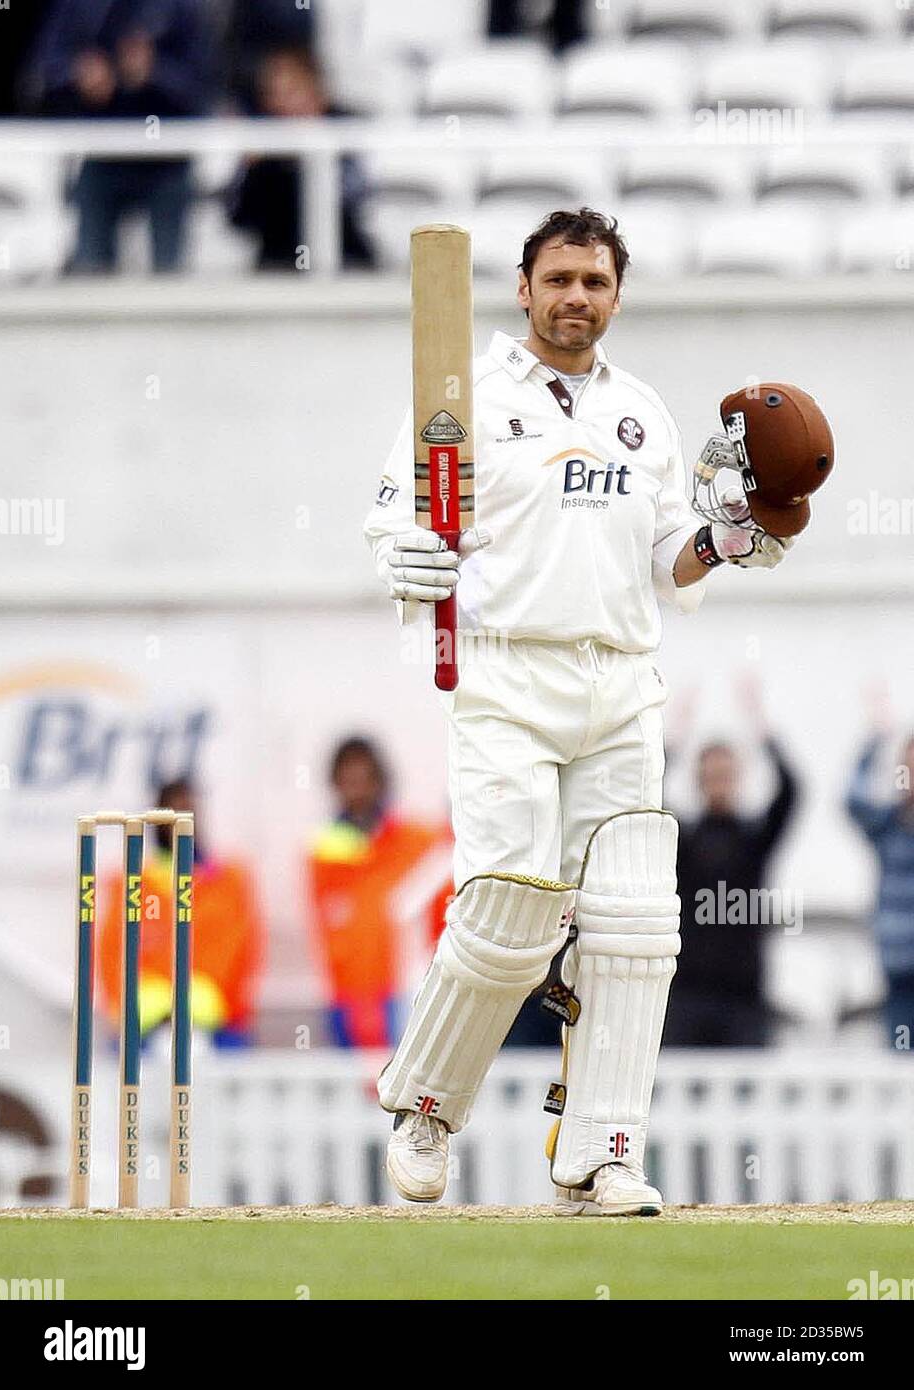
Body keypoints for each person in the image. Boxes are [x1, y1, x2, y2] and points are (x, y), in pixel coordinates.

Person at [363, 207, 795, 1214]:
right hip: (505, 676)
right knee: (509, 908)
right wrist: (406, 555)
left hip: (619, 679)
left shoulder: (640, 412)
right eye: (557, 279)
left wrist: (729, 540)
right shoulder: (459, 397)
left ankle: (597, 1153)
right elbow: (393, 518)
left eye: (594, 282)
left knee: (633, 923)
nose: (575, 298)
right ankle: (426, 1107)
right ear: (523, 287)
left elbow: (670, 559)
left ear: (614, 293)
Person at [28, 0, 214, 272]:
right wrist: (80, 73)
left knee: (171, 277)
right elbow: (44, 69)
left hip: (168, 161)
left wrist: (154, 73)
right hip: (102, 156)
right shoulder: (80, 7)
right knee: (91, 271)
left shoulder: (182, 8)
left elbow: (204, 88)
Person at [664, 679, 799, 1047]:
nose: (718, 782)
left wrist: (759, 724)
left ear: (737, 778)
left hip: (744, 998)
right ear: (699, 781)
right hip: (687, 993)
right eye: (711, 775)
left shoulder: (753, 841)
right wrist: (675, 737)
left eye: (725, 774)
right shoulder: (684, 842)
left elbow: (791, 791)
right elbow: (646, 795)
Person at [307, 737, 451, 1049]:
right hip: (351, 1002)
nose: (357, 789)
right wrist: (360, 1002)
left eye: (364, 779)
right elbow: (336, 938)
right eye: (348, 780)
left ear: (380, 781)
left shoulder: (417, 839)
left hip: (409, 991)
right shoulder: (324, 855)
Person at [97, 777, 264, 1046]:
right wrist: (153, 1004)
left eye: (188, 810)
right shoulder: (131, 883)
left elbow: (242, 952)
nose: (178, 823)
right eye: (171, 812)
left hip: (216, 1026)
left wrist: (200, 1002)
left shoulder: (229, 880)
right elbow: (113, 955)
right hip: (144, 1028)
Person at [228, 45, 374, 271]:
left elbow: (354, 199)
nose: (282, 104)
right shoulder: (261, 145)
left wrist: (308, 161)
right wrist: (257, 171)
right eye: (274, 94)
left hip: (345, 258)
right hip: (277, 263)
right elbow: (239, 218)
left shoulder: (344, 133)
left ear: (317, 91)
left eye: (292, 92)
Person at [846, 694, 914, 1050]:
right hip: (898, 963)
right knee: (902, 1060)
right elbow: (852, 799)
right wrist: (875, 740)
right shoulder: (888, 824)